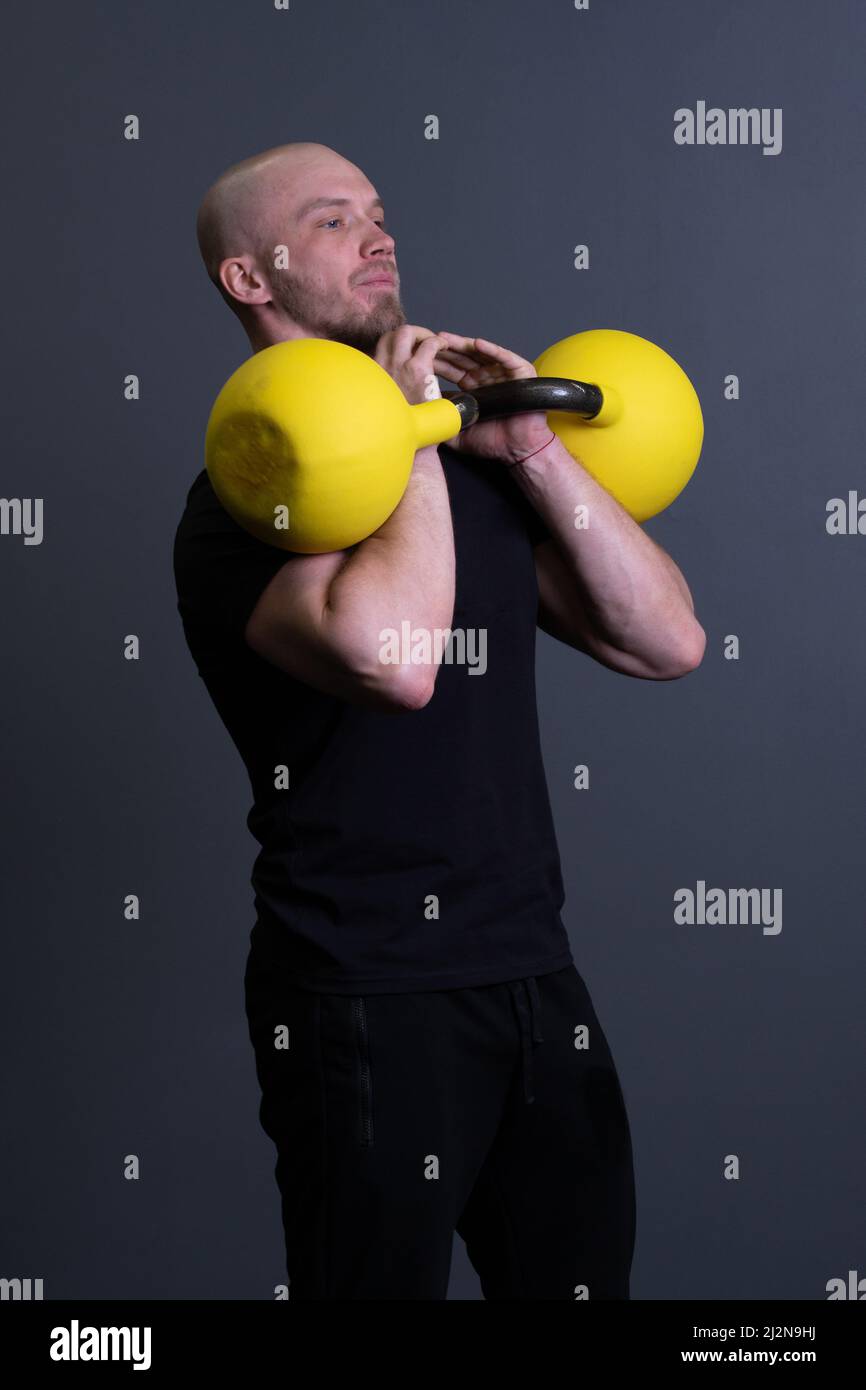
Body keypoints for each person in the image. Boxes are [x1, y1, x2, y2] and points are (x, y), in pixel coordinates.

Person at [174, 141, 705, 1300]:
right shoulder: (241, 506)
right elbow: (396, 660)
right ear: (249, 279)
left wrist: (532, 453)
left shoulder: (471, 469)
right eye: (329, 222)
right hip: (358, 988)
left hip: (528, 965)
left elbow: (663, 640)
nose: (378, 237)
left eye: (378, 213)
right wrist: (411, 434)